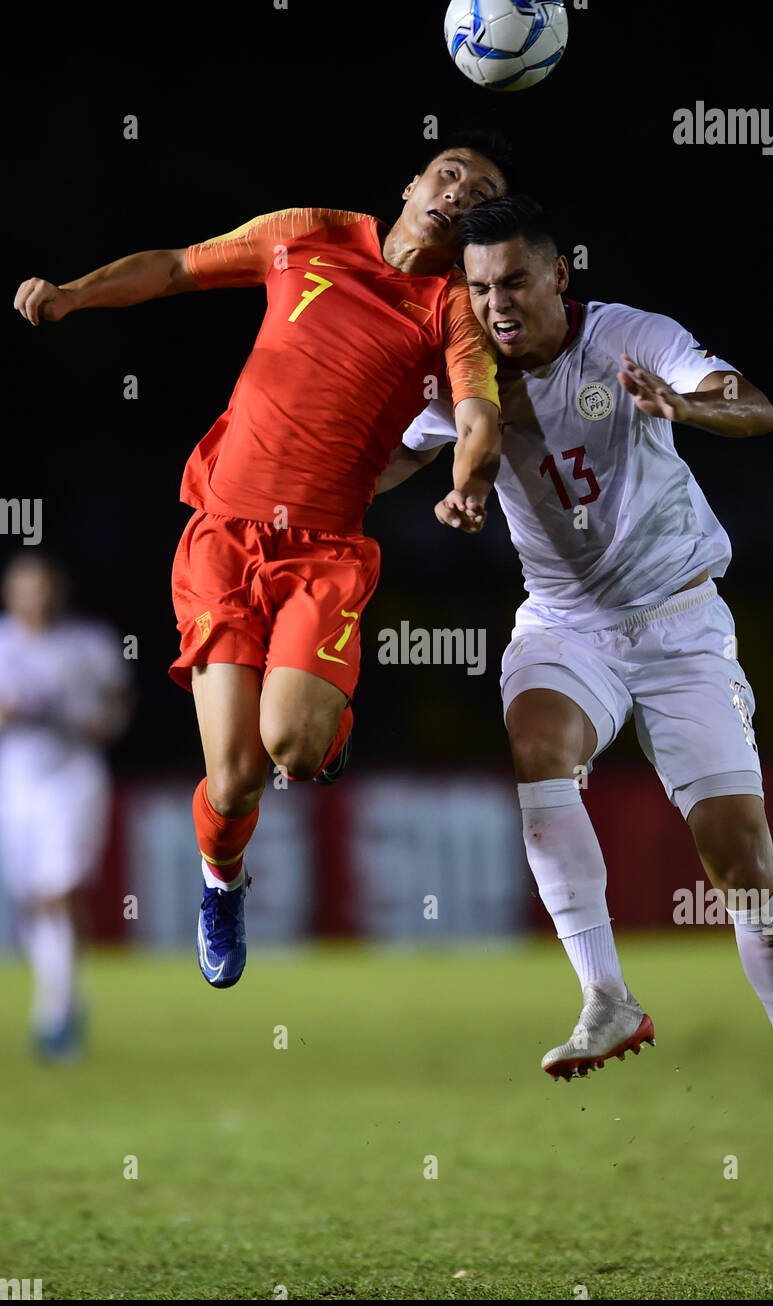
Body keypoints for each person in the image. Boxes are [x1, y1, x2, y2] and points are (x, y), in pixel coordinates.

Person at [379, 194, 773, 1221]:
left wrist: (683, 406)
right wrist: (297, 484)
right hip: (564, 625)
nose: (495, 304)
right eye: (477, 288)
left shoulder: (628, 337)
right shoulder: (472, 370)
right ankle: (606, 993)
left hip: (680, 623)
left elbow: (753, 404)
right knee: (535, 747)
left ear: (559, 278)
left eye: (513, 281)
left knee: (743, 865)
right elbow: (400, 455)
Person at [13, 134, 506, 989]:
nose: (459, 192)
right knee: (236, 780)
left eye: (481, 191)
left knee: (293, 747)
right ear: (413, 182)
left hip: (325, 553)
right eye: (449, 172)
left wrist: (469, 484)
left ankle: (327, 737)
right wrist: (71, 296)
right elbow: (173, 267)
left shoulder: (450, 307)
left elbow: (475, 415)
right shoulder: (309, 232)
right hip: (223, 535)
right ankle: (223, 881)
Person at [0, 554, 131, 1060]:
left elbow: (118, 703)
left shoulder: (88, 642)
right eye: (26, 588)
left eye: (45, 587)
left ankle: (53, 1014)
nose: (38, 598)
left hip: (74, 780)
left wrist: (102, 724)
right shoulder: (4, 644)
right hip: (15, 784)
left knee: (61, 890)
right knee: (33, 899)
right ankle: (66, 997)